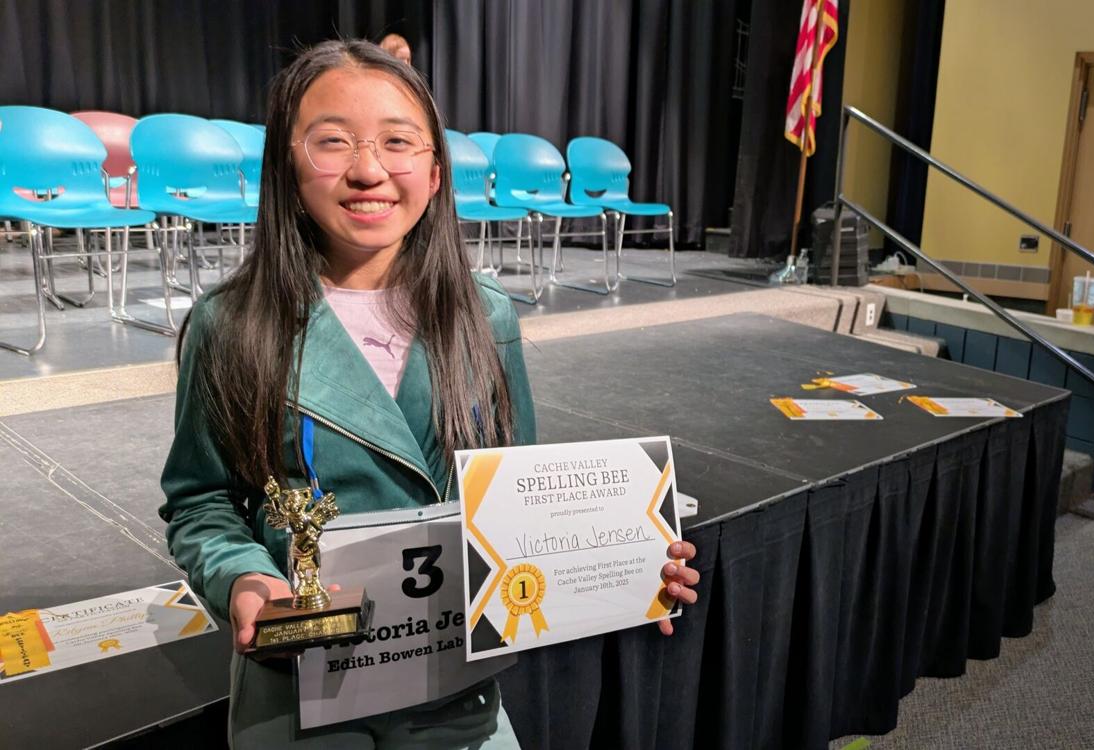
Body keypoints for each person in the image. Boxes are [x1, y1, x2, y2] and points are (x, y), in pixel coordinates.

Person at [159, 39, 699, 748]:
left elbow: (517, 492)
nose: (369, 170)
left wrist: (621, 566)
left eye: (397, 141)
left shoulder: (485, 314)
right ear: (286, 168)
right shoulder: (229, 323)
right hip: (302, 694)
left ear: (436, 171)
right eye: (333, 142)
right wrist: (245, 580)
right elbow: (202, 502)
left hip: (456, 698)